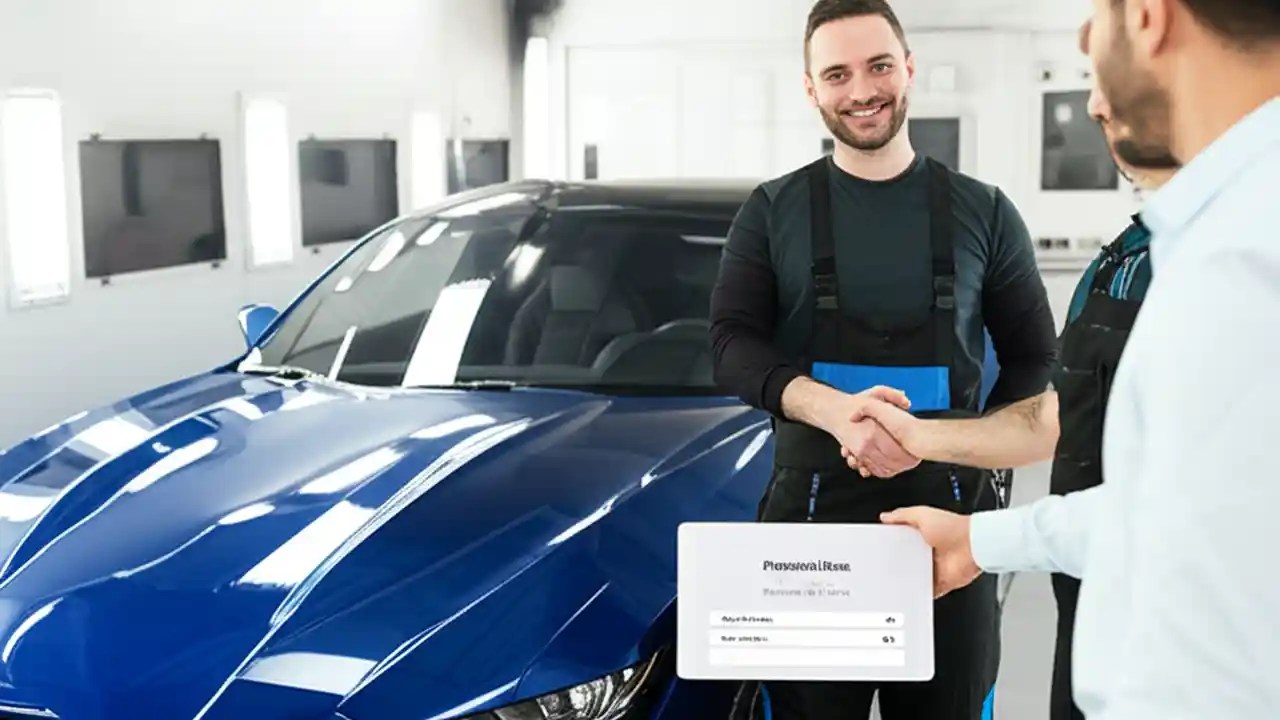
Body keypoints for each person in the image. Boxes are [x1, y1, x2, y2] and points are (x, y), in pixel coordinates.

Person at [877, 0, 1280, 717]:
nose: (1091, 40)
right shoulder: (1209, 236)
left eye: (1100, 13)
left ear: (1151, 16)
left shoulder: (1246, 260)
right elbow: (1165, 513)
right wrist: (980, 539)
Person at [708, 0, 1059, 716]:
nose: (862, 90)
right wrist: (838, 414)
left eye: (878, 65)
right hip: (810, 524)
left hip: (951, 528)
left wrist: (977, 465)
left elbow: (1035, 362)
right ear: (811, 89)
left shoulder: (985, 211)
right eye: (837, 73)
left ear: (909, 67)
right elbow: (732, 347)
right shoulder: (773, 211)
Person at [846, 80, 1178, 719]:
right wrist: (918, 437)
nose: (1093, 106)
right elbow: (1058, 415)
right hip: (1093, 617)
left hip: (1194, 657)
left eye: (1112, 73)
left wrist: (985, 539)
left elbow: (1182, 512)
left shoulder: (1242, 261)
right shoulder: (1131, 254)